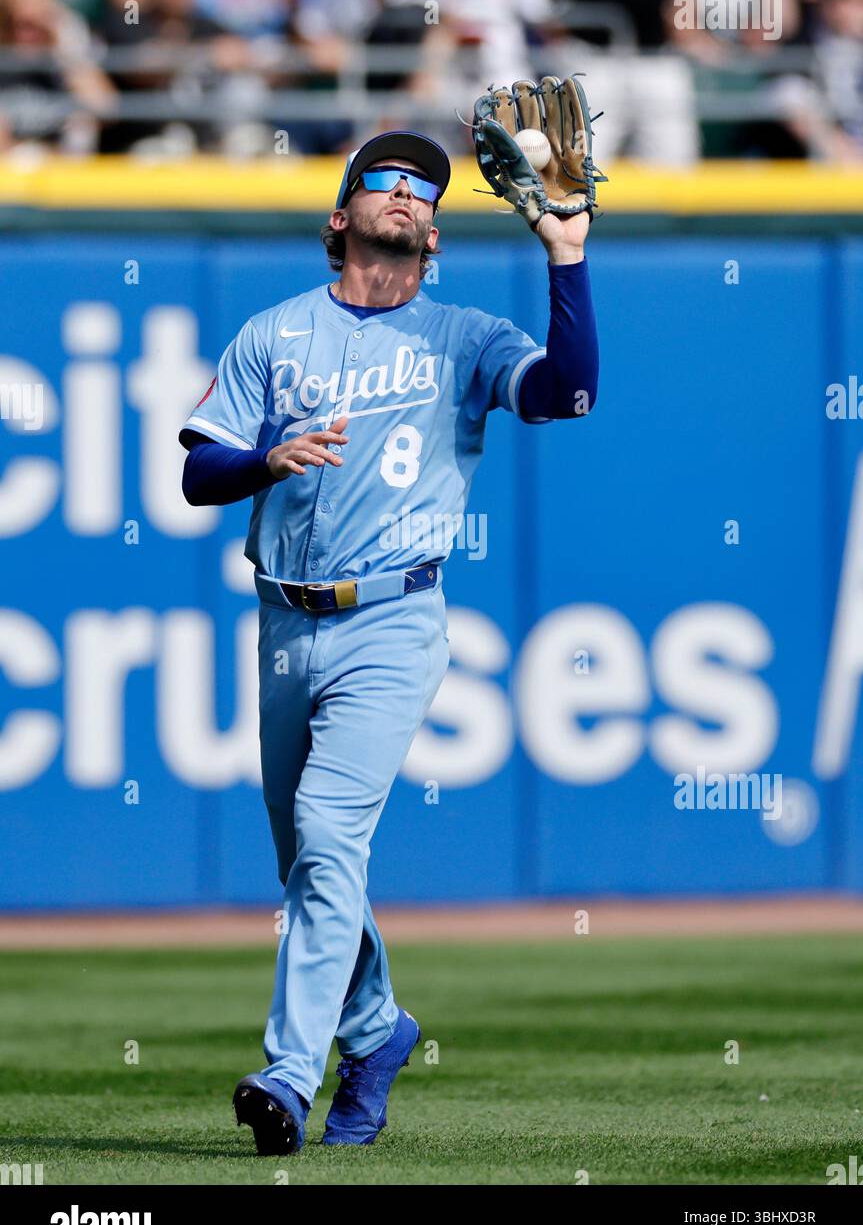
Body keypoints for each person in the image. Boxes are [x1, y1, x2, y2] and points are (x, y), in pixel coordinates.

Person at [179, 128, 600, 1154]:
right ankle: (375, 1030)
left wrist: (567, 257)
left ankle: (287, 1072)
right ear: (340, 216)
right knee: (309, 860)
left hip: (394, 617)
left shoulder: (461, 334)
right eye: (385, 182)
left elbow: (567, 393)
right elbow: (196, 475)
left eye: (426, 190)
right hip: (284, 618)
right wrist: (264, 461)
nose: (408, 195)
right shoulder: (274, 335)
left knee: (327, 830)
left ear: (438, 229)